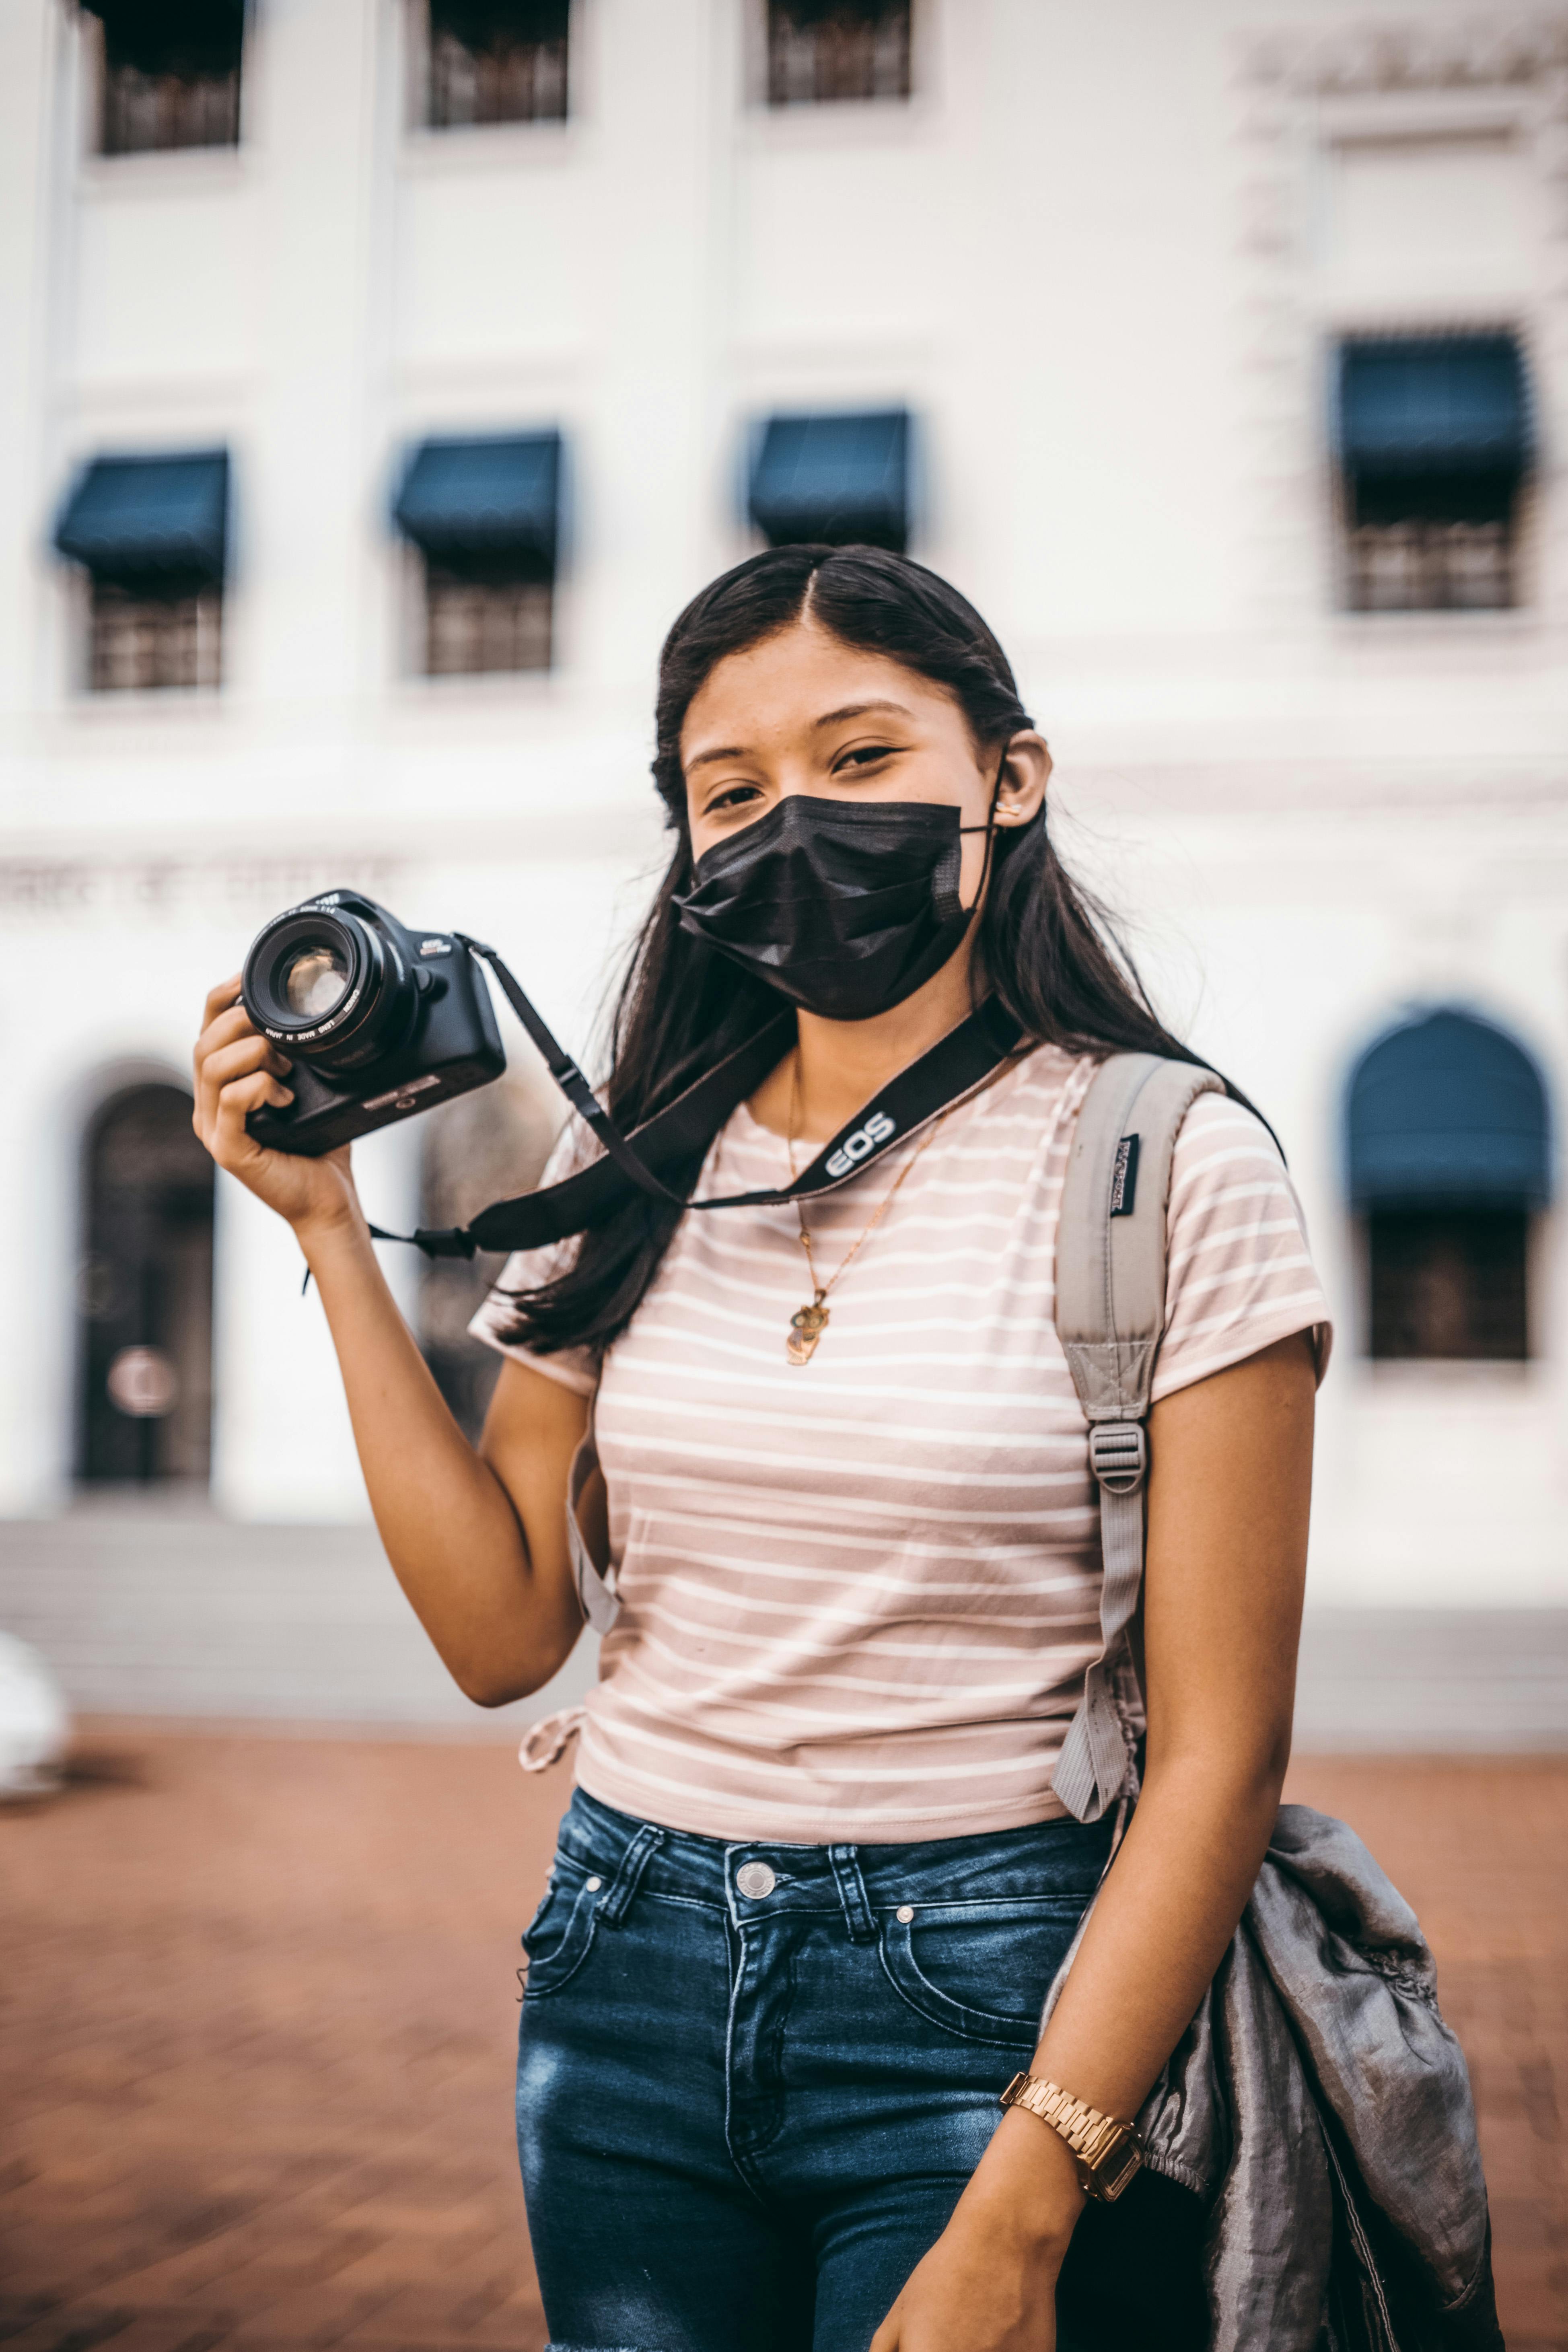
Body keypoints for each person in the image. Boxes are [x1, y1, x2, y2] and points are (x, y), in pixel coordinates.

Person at [193, 544, 1329, 2352]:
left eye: (865, 758)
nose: (797, 821)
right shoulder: (627, 1175)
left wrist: (1032, 2204)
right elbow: (502, 1634)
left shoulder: (1169, 1164)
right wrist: (325, 1230)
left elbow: (1219, 1754)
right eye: (734, 791)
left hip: (993, 1991)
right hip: (621, 1967)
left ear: (1009, 779)